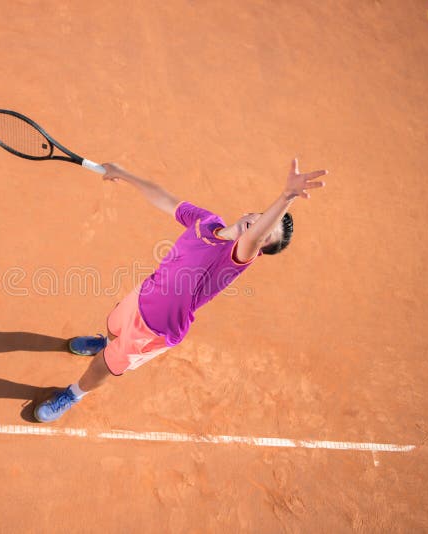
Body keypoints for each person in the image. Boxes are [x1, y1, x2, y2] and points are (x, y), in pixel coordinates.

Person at [34, 158, 327, 423]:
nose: (257, 225)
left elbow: (257, 233)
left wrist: (287, 196)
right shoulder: (206, 221)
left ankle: (73, 394)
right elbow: (164, 198)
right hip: (143, 294)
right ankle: (105, 343)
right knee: (112, 329)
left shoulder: (235, 257)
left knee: (103, 366)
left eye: (265, 233)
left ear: (259, 246)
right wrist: (123, 173)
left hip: (156, 328)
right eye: (262, 217)